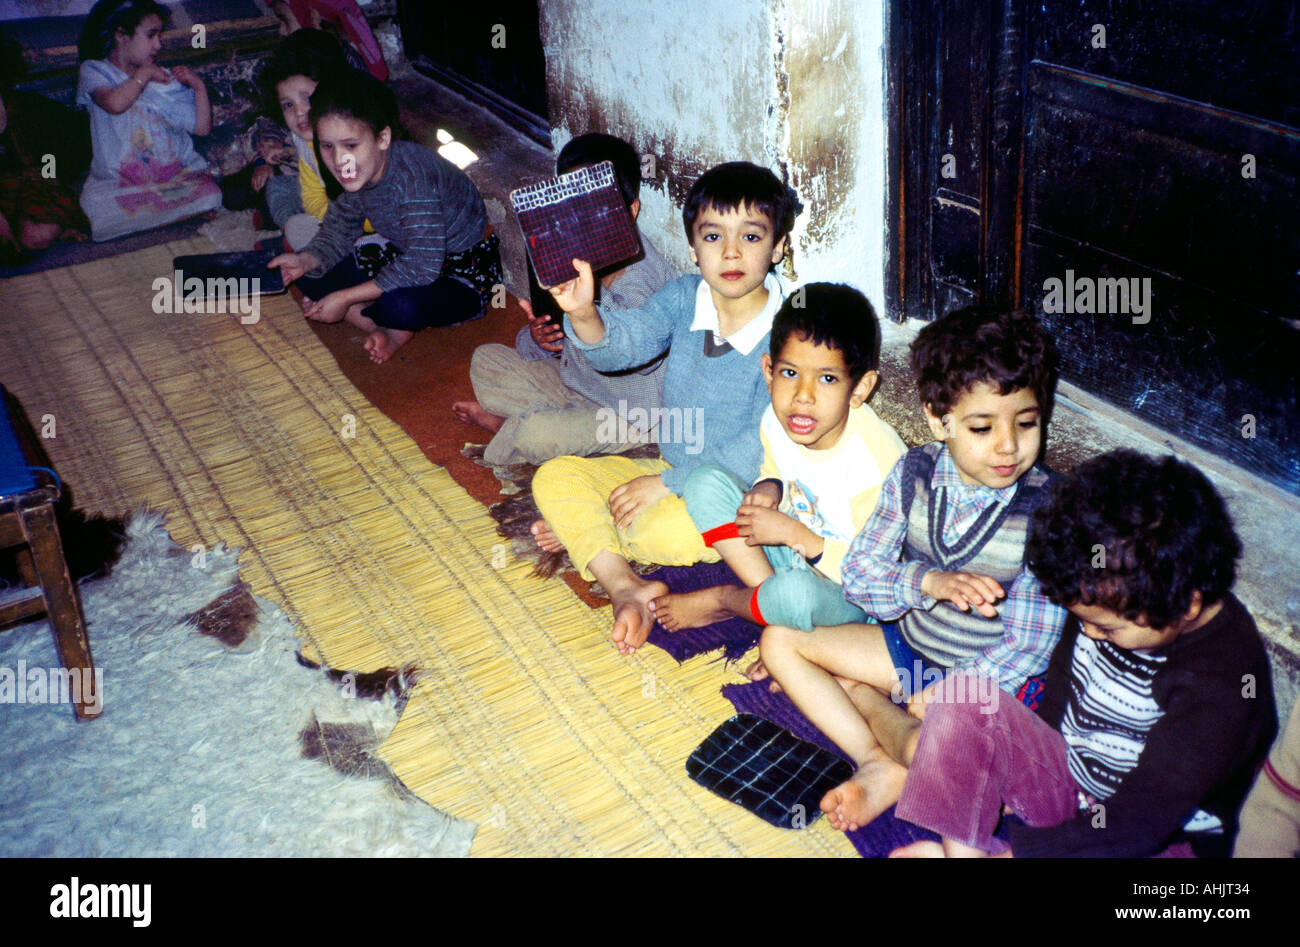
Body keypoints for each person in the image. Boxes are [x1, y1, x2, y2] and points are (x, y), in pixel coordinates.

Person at [751, 305, 1068, 830]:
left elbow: (1033, 644)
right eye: (983, 427)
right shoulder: (913, 471)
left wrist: (952, 693)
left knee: (943, 747)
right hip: (911, 647)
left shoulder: (1049, 508)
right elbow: (860, 574)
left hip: (990, 683)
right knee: (779, 642)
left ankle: (882, 720)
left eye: (1027, 423)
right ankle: (874, 754)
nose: (1009, 445)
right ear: (937, 418)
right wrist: (926, 583)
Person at [888, 450, 1277, 858]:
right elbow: (1058, 698)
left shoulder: (1223, 678)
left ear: (1185, 608)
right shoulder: (1101, 591)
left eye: (1106, 629)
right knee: (962, 695)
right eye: (1082, 619)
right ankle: (963, 853)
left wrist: (1024, 853)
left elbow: (1140, 823)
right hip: (1076, 790)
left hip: (1155, 839)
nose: (1088, 633)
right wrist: (1009, 774)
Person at [533, 161, 800, 655]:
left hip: (734, 491)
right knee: (553, 476)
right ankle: (625, 585)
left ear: (779, 246)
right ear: (694, 249)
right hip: (671, 467)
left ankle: (593, 536)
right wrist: (584, 312)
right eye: (714, 236)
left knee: (666, 529)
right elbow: (623, 347)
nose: (732, 252)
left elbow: (763, 443)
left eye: (752, 236)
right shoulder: (683, 296)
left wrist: (665, 485)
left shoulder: (789, 331)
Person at [651, 283, 906, 632]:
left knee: (795, 595)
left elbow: (880, 577)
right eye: (789, 373)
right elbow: (777, 472)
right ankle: (767, 603)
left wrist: (797, 536)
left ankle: (728, 601)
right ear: (769, 371)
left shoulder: (878, 466)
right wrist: (771, 488)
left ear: (859, 388)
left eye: (827, 379)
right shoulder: (775, 417)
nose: (803, 396)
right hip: (787, 555)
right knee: (704, 481)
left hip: (850, 595)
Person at [451, 132, 675, 467]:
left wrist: (591, 307)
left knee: (535, 434)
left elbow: (637, 355)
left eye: (593, 206)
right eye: (569, 203)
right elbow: (551, 341)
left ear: (630, 211)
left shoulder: (643, 280)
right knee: (487, 360)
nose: (577, 218)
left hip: (630, 415)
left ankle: (511, 435)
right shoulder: (568, 253)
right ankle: (538, 426)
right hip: (577, 386)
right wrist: (540, 339)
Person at [268, 71, 500, 364]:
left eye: (350, 145)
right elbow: (340, 227)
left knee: (400, 307)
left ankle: (378, 319)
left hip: (460, 269)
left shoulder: (411, 177)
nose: (340, 161)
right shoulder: (363, 169)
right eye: (328, 147)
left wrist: (346, 297)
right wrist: (307, 260)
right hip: (401, 253)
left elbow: (422, 265)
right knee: (308, 274)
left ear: (382, 138)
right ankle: (381, 327)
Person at [75, 0, 220, 242]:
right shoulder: (95, 71)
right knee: (94, 210)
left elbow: (202, 129)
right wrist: (144, 76)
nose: (158, 45)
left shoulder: (162, 78)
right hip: (121, 181)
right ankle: (173, 213)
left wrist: (199, 88)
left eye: (160, 36)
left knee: (212, 194)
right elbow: (115, 103)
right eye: (151, 35)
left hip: (173, 178)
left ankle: (156, 213)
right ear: (121, 35)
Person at [257, 27, 364, 250]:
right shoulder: (302, 142)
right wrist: (324, 217)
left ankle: (302, 241)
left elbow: (366, 204)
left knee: (305, 230)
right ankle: (290, 230)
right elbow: (312, 192)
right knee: (278, 186)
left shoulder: (349, 141)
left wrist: (336, 225)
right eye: (288, 105)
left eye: (308, 99)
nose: (299, 112)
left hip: (365, 220)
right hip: (328, 213)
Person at [0, 30, 91, 261]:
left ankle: (54, 227)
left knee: (36, 236)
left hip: (29, 183)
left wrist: (48, 176)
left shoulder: (28, 107)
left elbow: (74, 145)